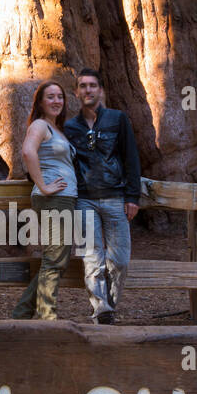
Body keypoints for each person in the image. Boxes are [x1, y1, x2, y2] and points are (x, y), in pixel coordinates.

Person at [64, 68, 140, 324]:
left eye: (92, 85)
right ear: (76, 92)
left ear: (100, 90)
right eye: (83, 86)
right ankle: (101, 310)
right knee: (91, 258)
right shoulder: (69, 127)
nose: (87, 90)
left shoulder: (118, 119)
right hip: (83, 200)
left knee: (119, 259)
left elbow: (131, 158)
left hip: (115, 198)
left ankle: (110, 306)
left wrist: (133, 196)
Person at [11, 80, 79, 320]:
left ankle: (22, 314)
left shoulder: (57, 129)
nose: (56, 101)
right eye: (50, 97)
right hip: (54, 200)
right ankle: (46, 317)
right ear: (40, 102)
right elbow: (28, 152)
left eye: (60, 96)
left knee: (57, 258)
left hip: (64, 199)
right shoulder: (40, 125)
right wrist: (43, 185)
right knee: (55, 259)